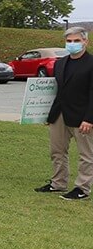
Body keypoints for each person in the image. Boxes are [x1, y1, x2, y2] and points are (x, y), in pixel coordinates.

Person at [37, 26, 93, 200]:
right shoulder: (61, 63)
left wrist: (89, 118)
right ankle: (58, 183)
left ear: (86, 41)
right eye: (69, 41)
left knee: (86, 155)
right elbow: (59, 91)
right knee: (57, 151)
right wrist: (50, 115)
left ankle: (82, 188)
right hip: (60, 114)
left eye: (77, 40)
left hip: (83, 116)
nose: (72, 44)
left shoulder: (91, 63)